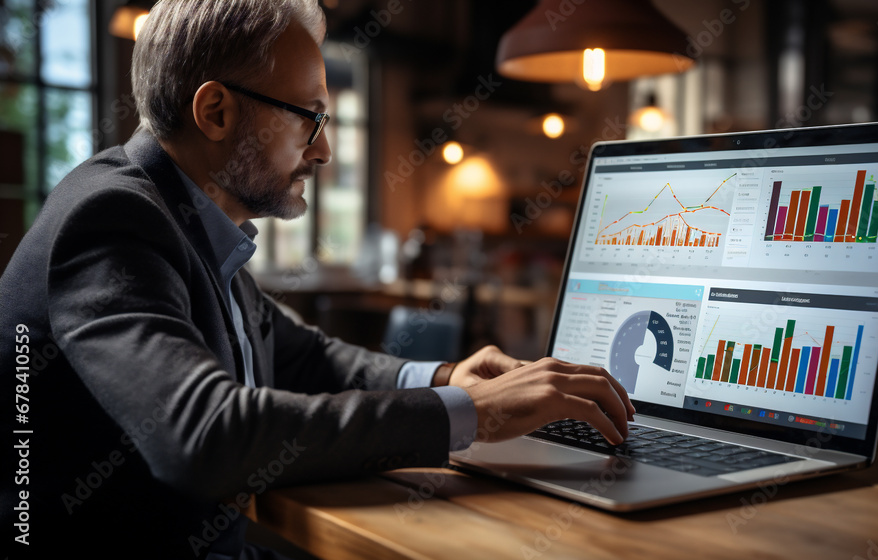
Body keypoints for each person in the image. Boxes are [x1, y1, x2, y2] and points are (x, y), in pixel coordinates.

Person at [0, 1, 633, 558]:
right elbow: (202, 435)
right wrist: (473, 415)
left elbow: (303, 355)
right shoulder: (113, 219)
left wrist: (446, 377)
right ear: (215, 110)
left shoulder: (187, 221)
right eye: (311, 116)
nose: (324, 150)